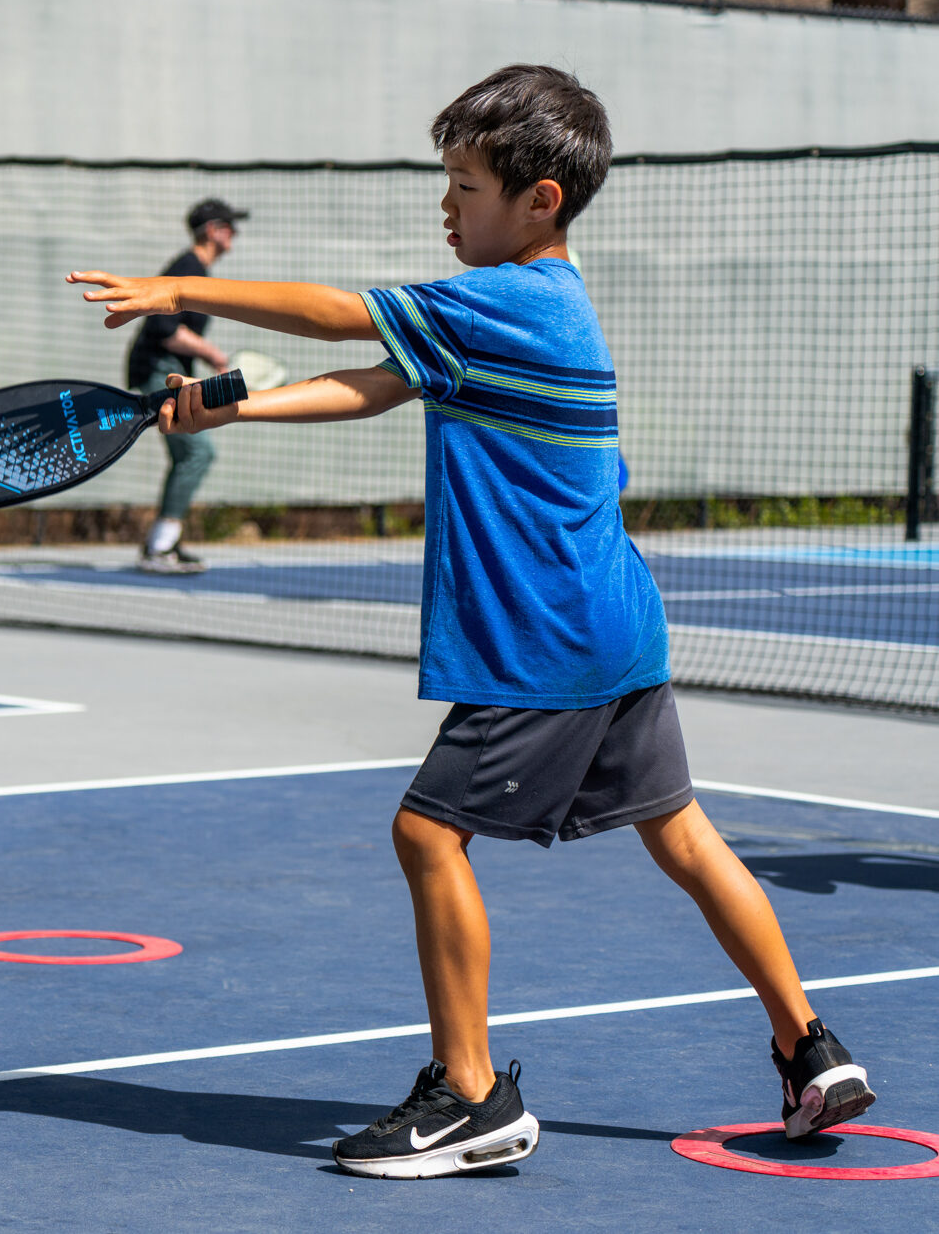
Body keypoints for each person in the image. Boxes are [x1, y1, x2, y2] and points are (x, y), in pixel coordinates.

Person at [67, 65, 875, 1179]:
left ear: (538, 199)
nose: (445, 208)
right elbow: (381, 379)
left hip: (544, 636)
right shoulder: (539, 299)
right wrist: (233, 401)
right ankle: (807, 1047)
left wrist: (176, 294)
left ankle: (471, 1094)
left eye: (464, 186)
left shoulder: (508, 299)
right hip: (616, 625)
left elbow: (345, 313)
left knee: (425, 832)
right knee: (681, 834)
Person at [125, 197, 249, 573]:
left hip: (166, 370)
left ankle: (164, 543)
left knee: (187, 456)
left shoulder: (196, 270)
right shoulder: (188, 268)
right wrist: (211, 352)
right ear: (213, 231)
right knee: (198, 453)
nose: (235, 235)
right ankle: (159, 549)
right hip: (157, 370)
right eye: (230, 227)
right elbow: (163, 329)